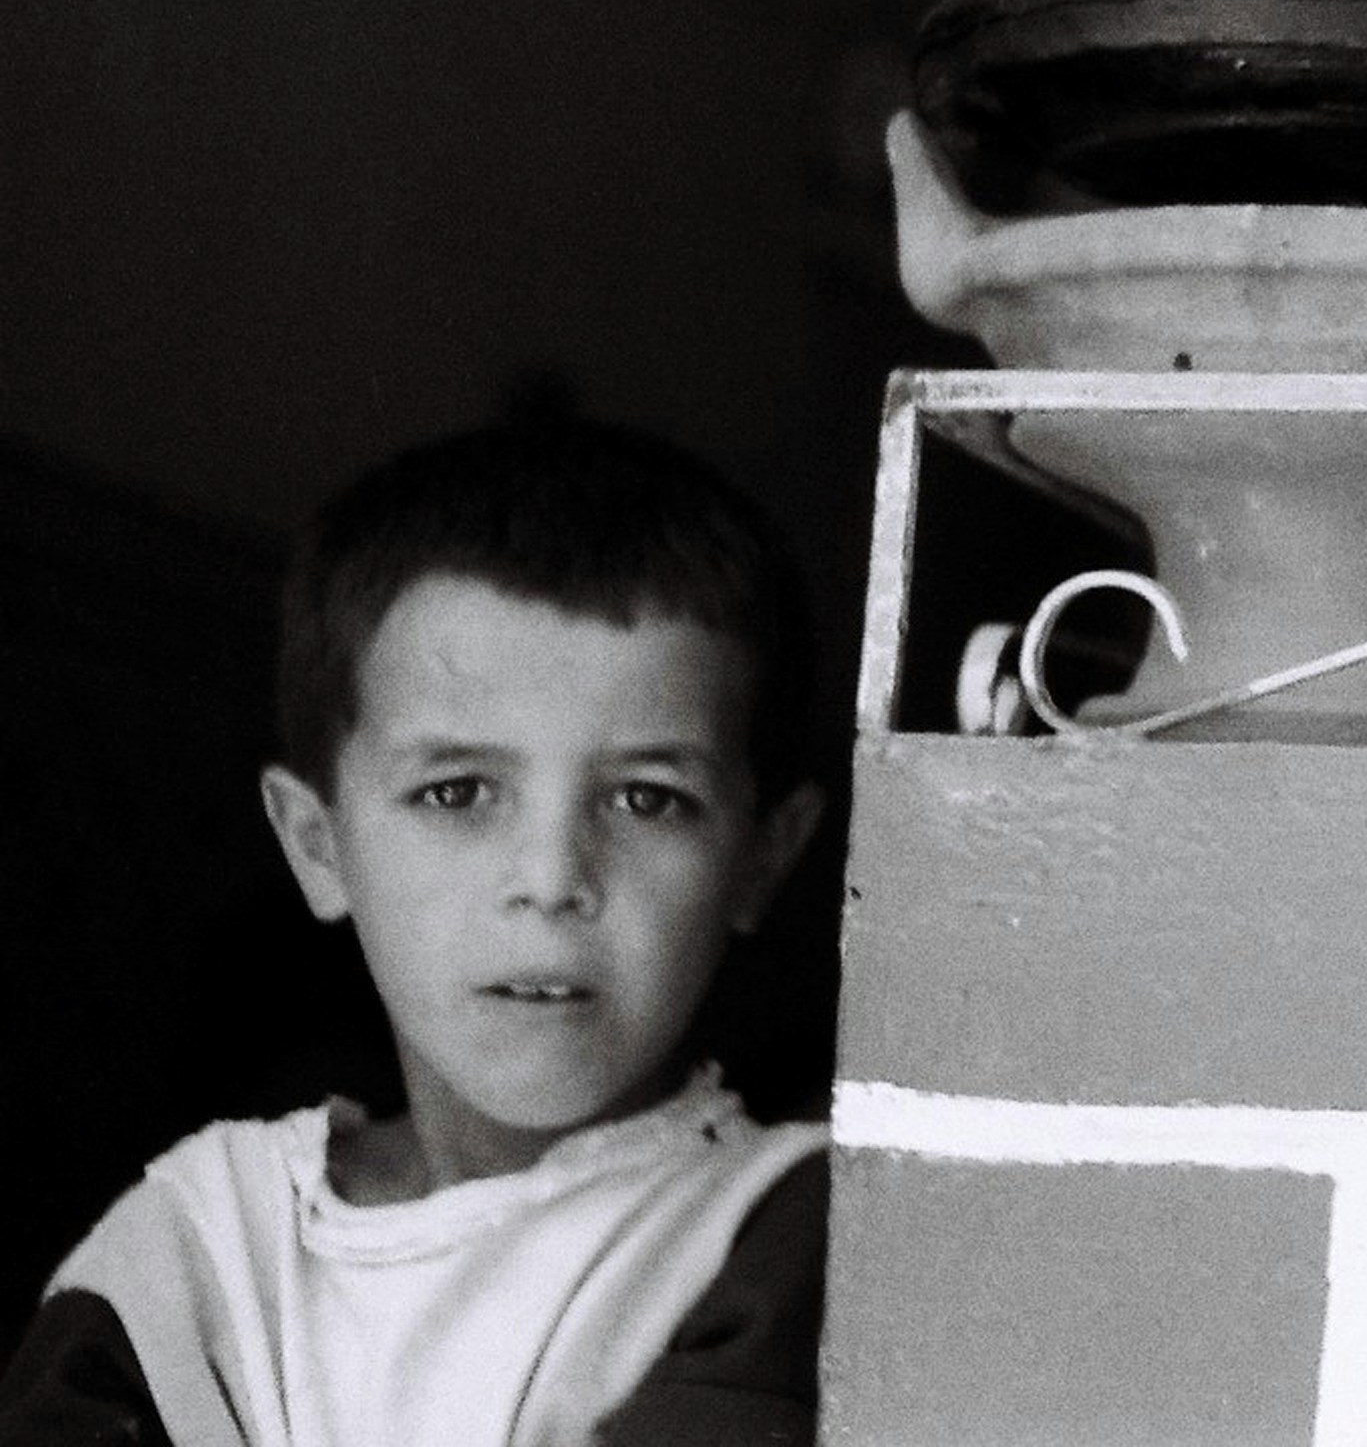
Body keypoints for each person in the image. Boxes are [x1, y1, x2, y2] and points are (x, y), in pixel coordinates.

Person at [0, 419, 832, 1447]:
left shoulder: (794, 1228)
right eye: (458, 790)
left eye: (647, 799)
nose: (550, 879)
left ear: (762, 857)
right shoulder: (198, 1249)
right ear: (318, 845)